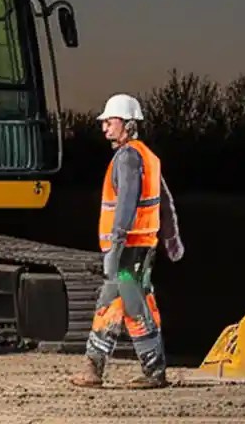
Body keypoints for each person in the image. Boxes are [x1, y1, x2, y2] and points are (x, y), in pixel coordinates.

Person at [70, 93, 184, 389]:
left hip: (129, 249)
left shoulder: (128, 158)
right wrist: (172, 238)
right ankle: (96, 367)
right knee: (118, 301)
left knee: (129, 304)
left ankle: (150, 370)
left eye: (110, 121)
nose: (105, 128)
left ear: (128, 124)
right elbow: (166, 200)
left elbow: (127, 204)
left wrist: (115, 246)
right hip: (141, 246)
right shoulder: (149, 157)